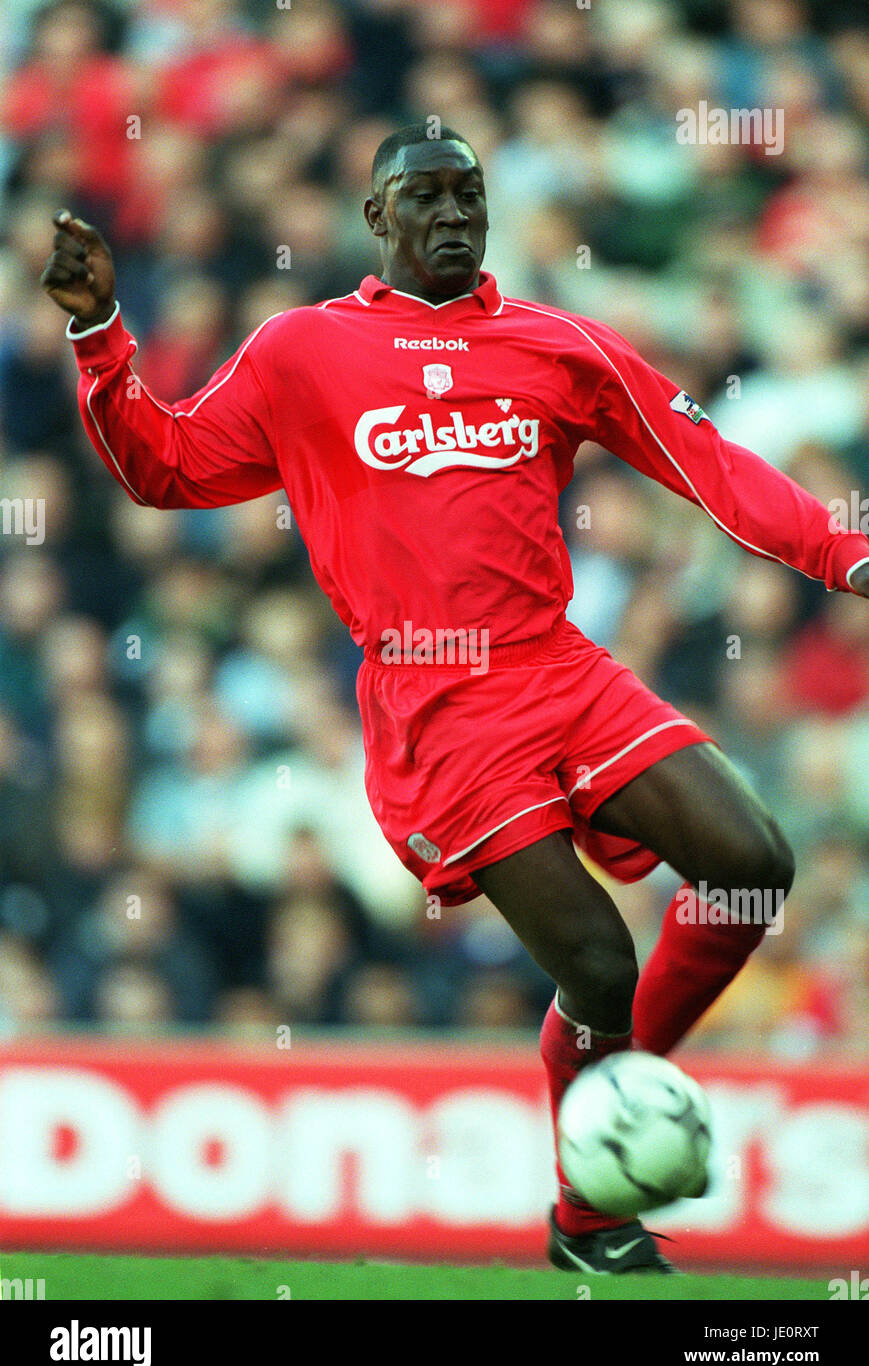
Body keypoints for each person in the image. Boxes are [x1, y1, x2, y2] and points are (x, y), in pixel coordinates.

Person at [41, 124, 869, 1273]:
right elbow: (164, 466)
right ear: (375, 221)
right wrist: (98, 335)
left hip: (557, 666)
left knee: (750, 865)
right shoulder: (301, 352)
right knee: (595, 968)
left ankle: (612, 1124)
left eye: (468, 194)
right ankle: (592, 1203)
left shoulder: (557, 346)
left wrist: (839, 552)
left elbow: (705, 459)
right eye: (422, 197)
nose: (451, 214)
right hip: (438, 710)